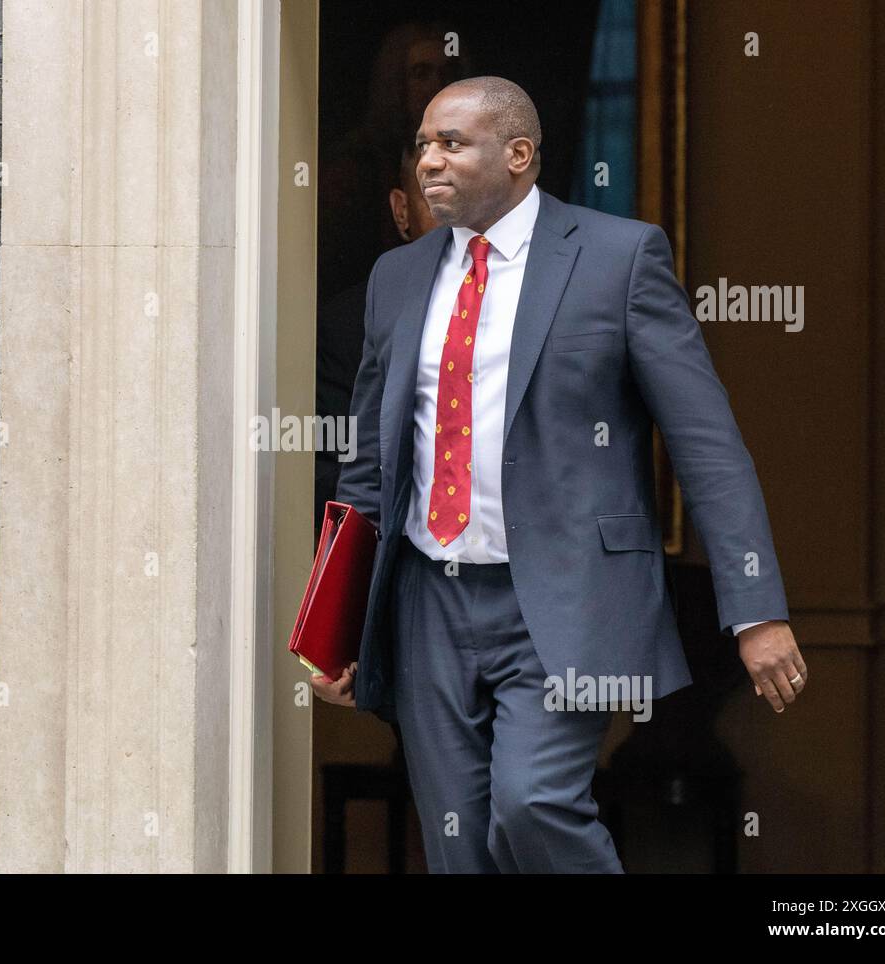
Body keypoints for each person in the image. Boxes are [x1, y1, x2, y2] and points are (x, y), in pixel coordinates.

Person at [310, 76, 807, 874]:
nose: (428, 160)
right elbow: (368, 466)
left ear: (519, 155)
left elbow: (706, 443)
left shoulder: (619, 258)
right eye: (423, 144)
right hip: (425, 602)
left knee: (532, 805)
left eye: (452, 143)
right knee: (455, 844)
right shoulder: (396, 279)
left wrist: (756, 612)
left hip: (564, 596)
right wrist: (337, 622)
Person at [315, 143, 441, 537]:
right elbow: (337, 462)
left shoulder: (533, 298)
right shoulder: (348, 323)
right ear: (401, 211)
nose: (457, 217)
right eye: (434, 196)